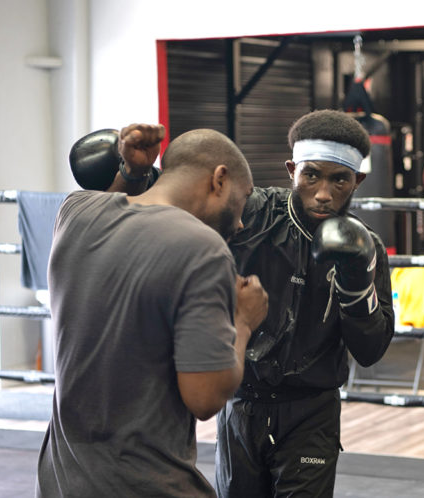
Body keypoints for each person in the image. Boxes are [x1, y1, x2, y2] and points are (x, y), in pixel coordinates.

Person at [74, 110, 395, 497]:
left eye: (339, 179)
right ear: (292, 169)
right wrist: (138, 174)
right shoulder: (252, 211)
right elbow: (180, 195)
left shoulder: (367, 247)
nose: (323, 193)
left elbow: (371, 350)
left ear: (357, 180)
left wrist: (356, 287)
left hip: (311, 414)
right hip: (240, 406)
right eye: (311, 174)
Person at [36, 124, 268, 497]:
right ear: (219, 179)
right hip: (147, 484)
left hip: (61, 482)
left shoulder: (75, 212)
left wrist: (131, 173)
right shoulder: (202, 249)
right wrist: (243, 322)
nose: (240, 222)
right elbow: (205, 398)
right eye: (244, 198)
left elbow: (115, 203)